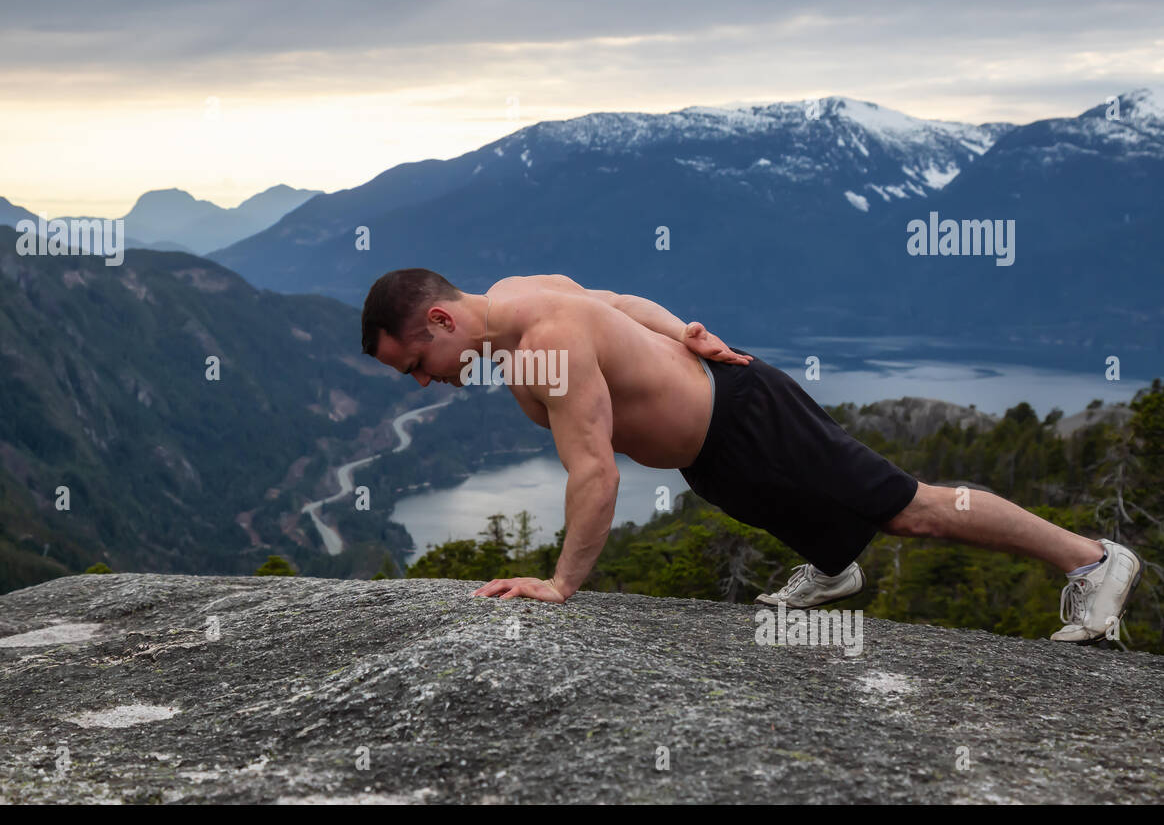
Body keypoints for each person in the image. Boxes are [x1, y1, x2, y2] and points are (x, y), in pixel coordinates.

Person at [361, 268, 1142, 644]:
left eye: (416, 366)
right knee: (842, 522)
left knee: (915, 509)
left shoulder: (544, 342)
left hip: (747, 419)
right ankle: (834, 564)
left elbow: (597, 470)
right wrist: (682, 330)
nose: (424, 383)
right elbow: (621, 305)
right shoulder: (518, 297)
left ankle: (1093, 562)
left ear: (439, 319)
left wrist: (562, 584)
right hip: (716, 455)